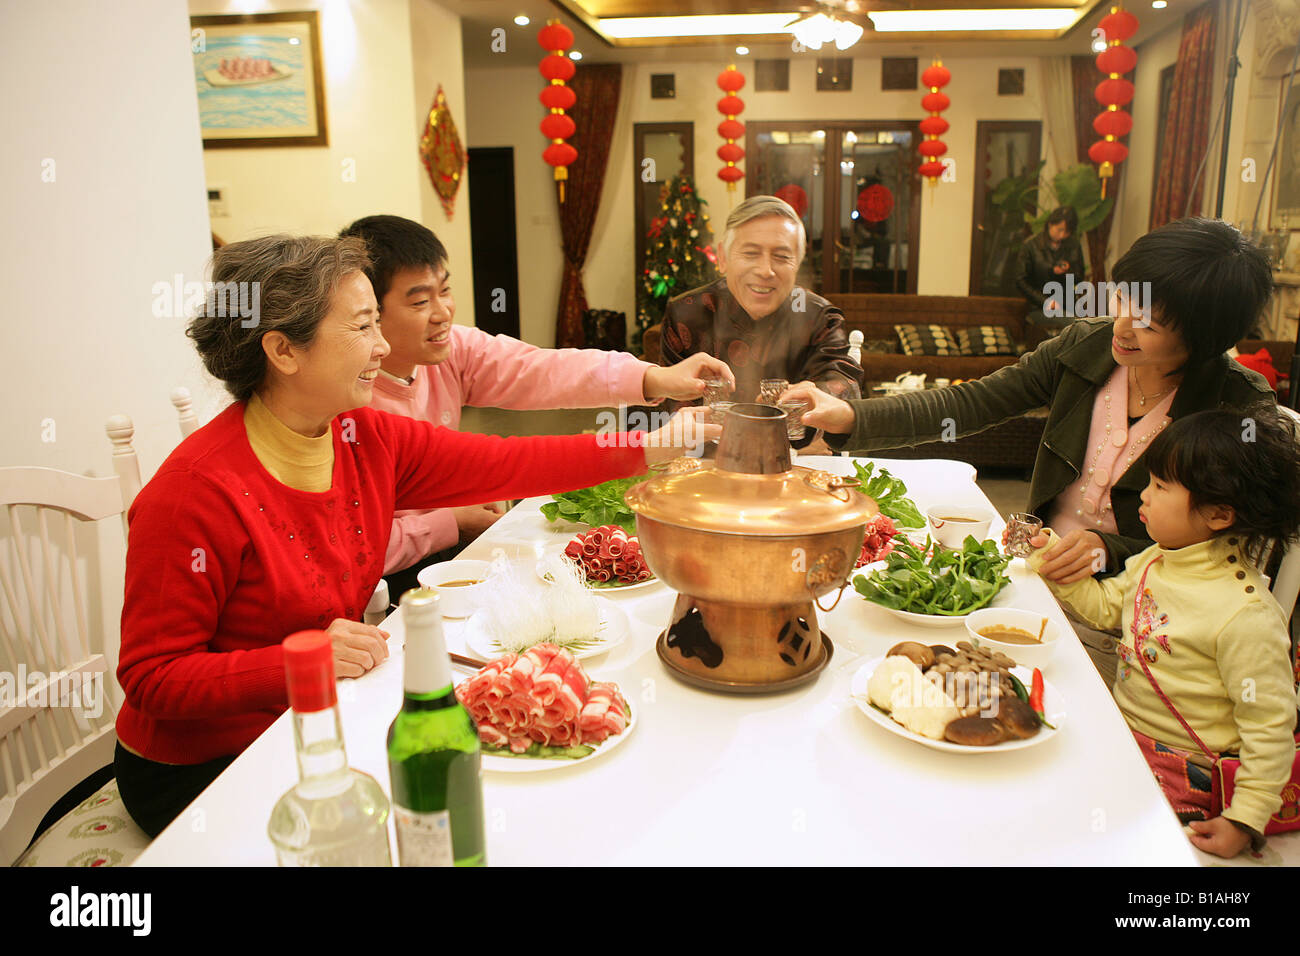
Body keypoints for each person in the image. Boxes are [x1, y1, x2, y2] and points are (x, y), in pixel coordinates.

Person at [114, 235, 711, 837]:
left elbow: (511, 464)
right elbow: (152, 678)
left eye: (379, 323)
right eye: (362, 328)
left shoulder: (361, 436)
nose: (381, 347)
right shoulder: (191, 493)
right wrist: (301, 662)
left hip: (316, 717)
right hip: (208, 770)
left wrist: (648, 445)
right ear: (282, 350)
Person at [780, 218, 1277, 678]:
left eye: (1151, 324)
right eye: (1124, 300)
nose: (1123, 326)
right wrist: (851, 416)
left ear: (1205, 338)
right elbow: (971, 403)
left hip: (1143, 625)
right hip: (1036, 581)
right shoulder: (1084, 348)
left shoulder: (1236, 405)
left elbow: (1235, 542)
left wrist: (1114, 549)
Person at [338, 215, 733, 597]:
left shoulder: (450, 351)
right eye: (420, 301)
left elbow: (541, 370)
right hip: (390, 581)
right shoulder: (346, 406)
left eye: (444, 290)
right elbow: (349, 547)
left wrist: (655, 377)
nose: (442, 313)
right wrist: (449, 521)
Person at [1025, 408, 1300, 858]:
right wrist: (1053, 560)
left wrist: (1243, 819)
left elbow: (1270, 730)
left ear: (1218, 514)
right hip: (1123, 737)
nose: (1142, 498)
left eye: (1160, 487)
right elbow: (1107, 607)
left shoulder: (1245, 615)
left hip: (1184, 775)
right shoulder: (1157, 559)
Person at [657, 194, 862, 410]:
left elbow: (844, 386)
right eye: (750, 253)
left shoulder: (820, 318)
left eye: (782, 256)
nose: (766, 271)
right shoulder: (687, 314)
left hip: (795, 443)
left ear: (798, 264)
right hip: (708, 441)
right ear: (723, 258)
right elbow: (674, 411)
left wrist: (815, 397)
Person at [1015, 206, 1086, 332]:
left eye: (1067, 232)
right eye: (1059, 230)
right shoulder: (1031, 246)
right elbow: (1021, 281)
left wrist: (1066, 272)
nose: (1062, 235)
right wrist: (1045, 301)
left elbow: (1080, 277)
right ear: (1050, 224)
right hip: (1038, 306)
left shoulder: (1073, 245)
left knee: (1079, 324)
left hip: (1068, 305)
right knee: (1073, 326)